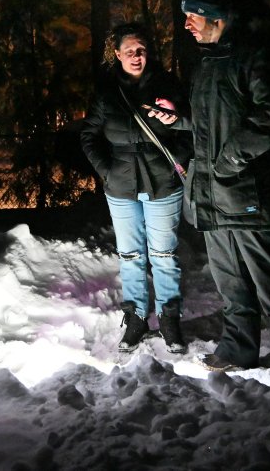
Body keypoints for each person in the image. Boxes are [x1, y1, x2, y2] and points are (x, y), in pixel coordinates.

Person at [151, 0, 270, 380]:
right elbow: (213, 124)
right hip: (214, 194)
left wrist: (228, 162)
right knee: (231, 285)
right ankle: (239, 349)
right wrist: (178, 119)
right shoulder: (210, 62)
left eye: (193, 15)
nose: (185, 23)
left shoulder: (257, 54)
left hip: (250, 193)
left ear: (216, 17)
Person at [81, 22, 193, 354]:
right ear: (117, 54)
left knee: (164, 255)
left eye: (141, 49)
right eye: (129, 51)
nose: (136, 56)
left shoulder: (168, 85)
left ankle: (170, 319)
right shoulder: (107, 94)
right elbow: (89, 135)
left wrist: (178, 162)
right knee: (130, 255)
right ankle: (136, 318)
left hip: (162, 183)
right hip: (120, 186)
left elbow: (188, 129)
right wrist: (106, 170)